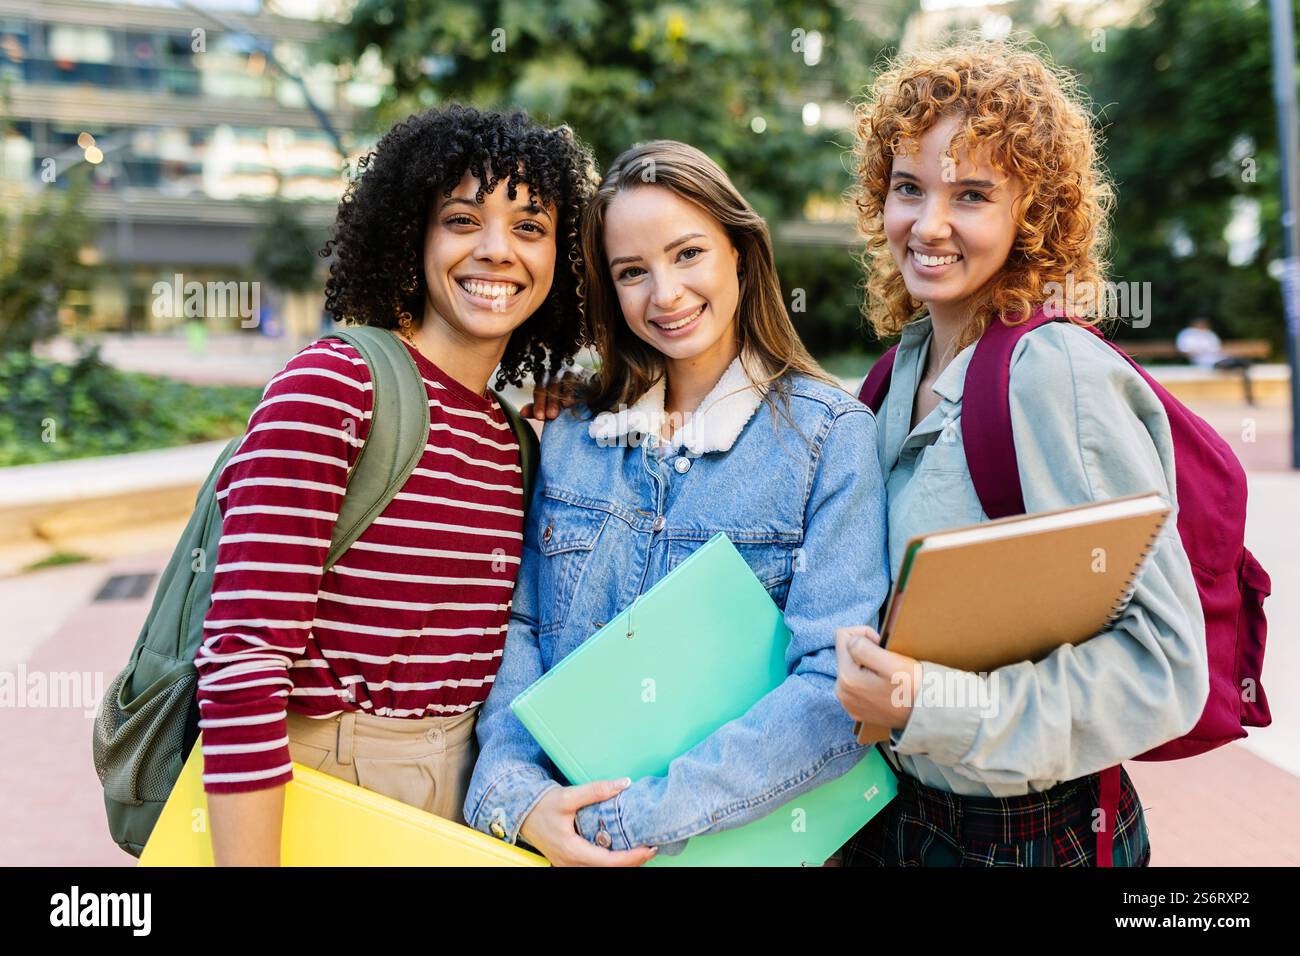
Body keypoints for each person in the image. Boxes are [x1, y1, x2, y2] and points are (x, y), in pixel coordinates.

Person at [833, 38, 1208, 866]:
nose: (928, 225)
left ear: (1031, 214)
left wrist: (927, 702)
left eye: (971, 194)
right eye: (907, 188)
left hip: (1025, 837)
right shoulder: (897, 371)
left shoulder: (1055, 375)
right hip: (897, 818)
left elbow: (1166, 670)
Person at [464, 140, 890, 865]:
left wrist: (631, 821)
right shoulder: (570, 429)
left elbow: (833, 688)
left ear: (742, 256)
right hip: (559, 840)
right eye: (633, 272)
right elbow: (521, 624)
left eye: (688, 254)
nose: (664, 294)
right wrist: (517, 796)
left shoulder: (831, 438)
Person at [194, 105, 598, 866]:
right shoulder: (335, 386)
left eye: (530, 227)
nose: (496, 251)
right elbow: (244, 663)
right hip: (320, 787)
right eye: (462, 219)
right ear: (411, 234)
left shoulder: (512, 441)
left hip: (467, 800)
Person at [1177, 317, 1255, 405]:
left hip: (1218, 359)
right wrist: (1202, 351)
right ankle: (1241, 367)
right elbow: (1185, 352)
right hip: (1207, 363)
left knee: (1243, 366)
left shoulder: (1209, 334)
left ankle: (1249, 396)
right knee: (1240, 365)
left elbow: (1218, 349)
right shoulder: (1187, 334)